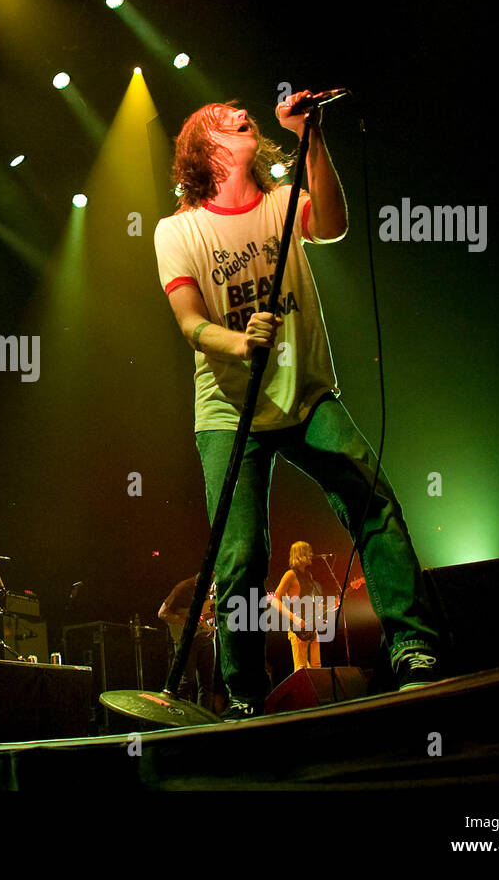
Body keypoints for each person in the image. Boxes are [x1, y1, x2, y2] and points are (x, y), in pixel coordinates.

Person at [152, 92, 443, 720]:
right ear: (205, 149)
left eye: (245, 115)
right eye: (227, 119)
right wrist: (237, 340)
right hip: (229, 411)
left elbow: (333, 224)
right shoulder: (178, 230)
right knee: (241, 557)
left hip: (307, 395)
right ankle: (246, 693)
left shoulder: (284, 204)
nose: (244, 117)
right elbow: (189, 323)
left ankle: (415, 647)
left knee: (372, 498)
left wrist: (314, 138)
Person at [158, 575, 225, 715]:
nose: (211, 591)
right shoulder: (184, 588)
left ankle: (203, 720)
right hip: (188, 638)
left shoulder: (218, 588)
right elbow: (162, 613)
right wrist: (186, 621)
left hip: (208, 638)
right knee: (186, 681)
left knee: (207, 684)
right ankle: (178, 717)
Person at [270, 541, 328, 672]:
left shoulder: (308, 575)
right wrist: (294, 619)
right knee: (301, 669)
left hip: (312, 626)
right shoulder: (290, 575)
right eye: (309, 551)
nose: (312, 554)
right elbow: (274, 600)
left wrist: (325, 609)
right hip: (297, 628)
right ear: (301, 554)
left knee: (317, 667)